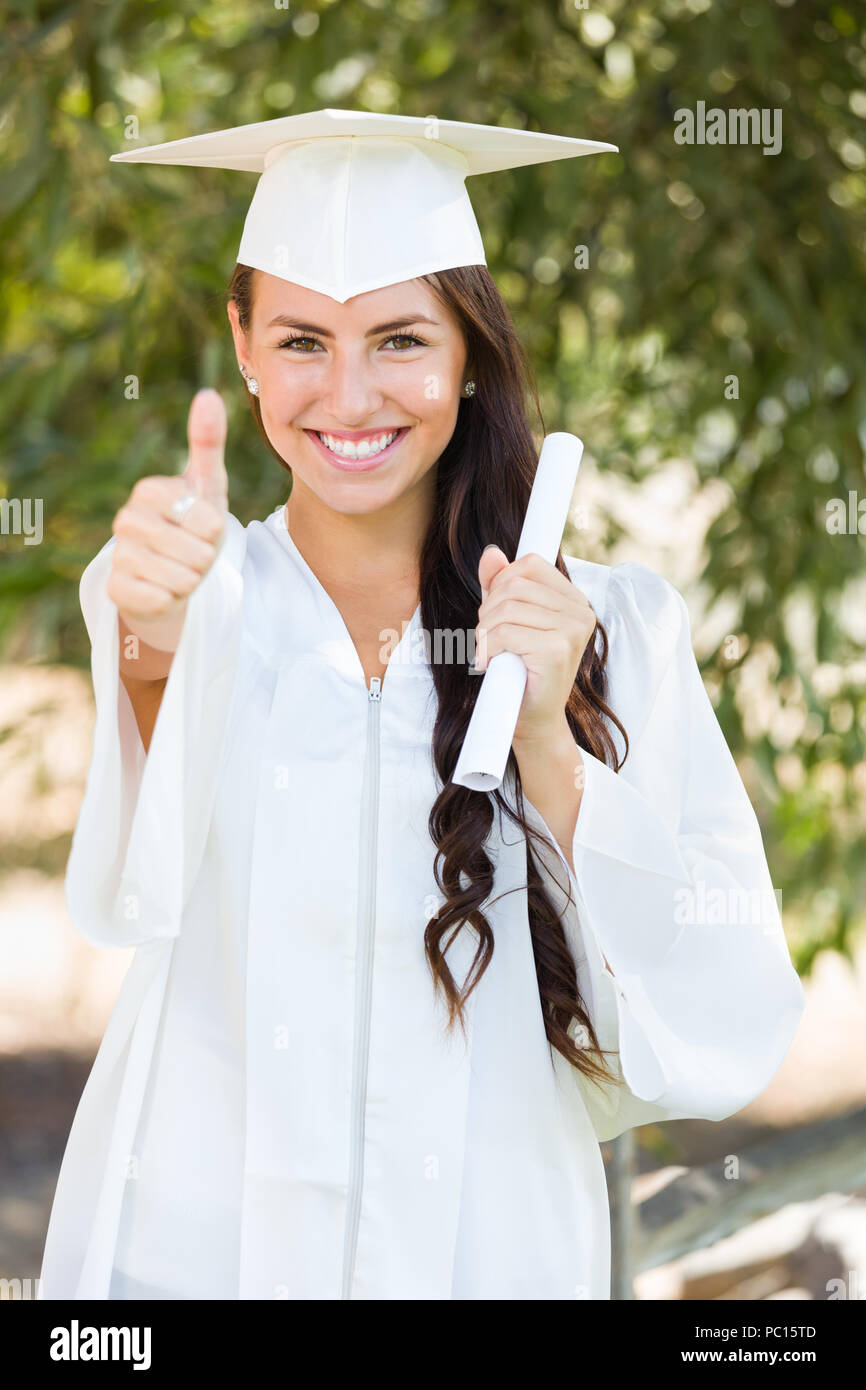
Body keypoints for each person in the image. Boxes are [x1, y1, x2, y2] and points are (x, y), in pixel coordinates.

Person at [39, 110, 805, 1301]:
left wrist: (547, 730)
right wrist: (154, 648)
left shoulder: (607, 625)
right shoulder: (185, 589)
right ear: (241, 344)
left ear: (468, 353)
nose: (348, 396)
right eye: (301, 340)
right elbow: (129, 885)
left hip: (485, 1256)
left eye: (399, 338)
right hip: (193, 1248)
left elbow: (711, 1004)